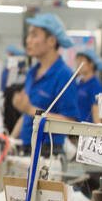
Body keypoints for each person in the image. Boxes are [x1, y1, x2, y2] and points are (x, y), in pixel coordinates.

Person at [13, 13, 80, 153]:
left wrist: (30, 109)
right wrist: (11, 141)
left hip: (49, 152)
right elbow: (26, 114)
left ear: (51, 41)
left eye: (34, 35)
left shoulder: (64, 75)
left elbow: (70, 122)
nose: (28, 40)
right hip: (26, 147)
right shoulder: (32, 72)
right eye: (29, 35)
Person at [74, 47, 102, 123]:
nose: (78, 63)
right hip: (75, 128)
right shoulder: (79, 83)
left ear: (91, 64)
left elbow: (96, 112)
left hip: (86, 131)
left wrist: (98, 132)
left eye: (81, 60)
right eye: (77, 60)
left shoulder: (96, 86)